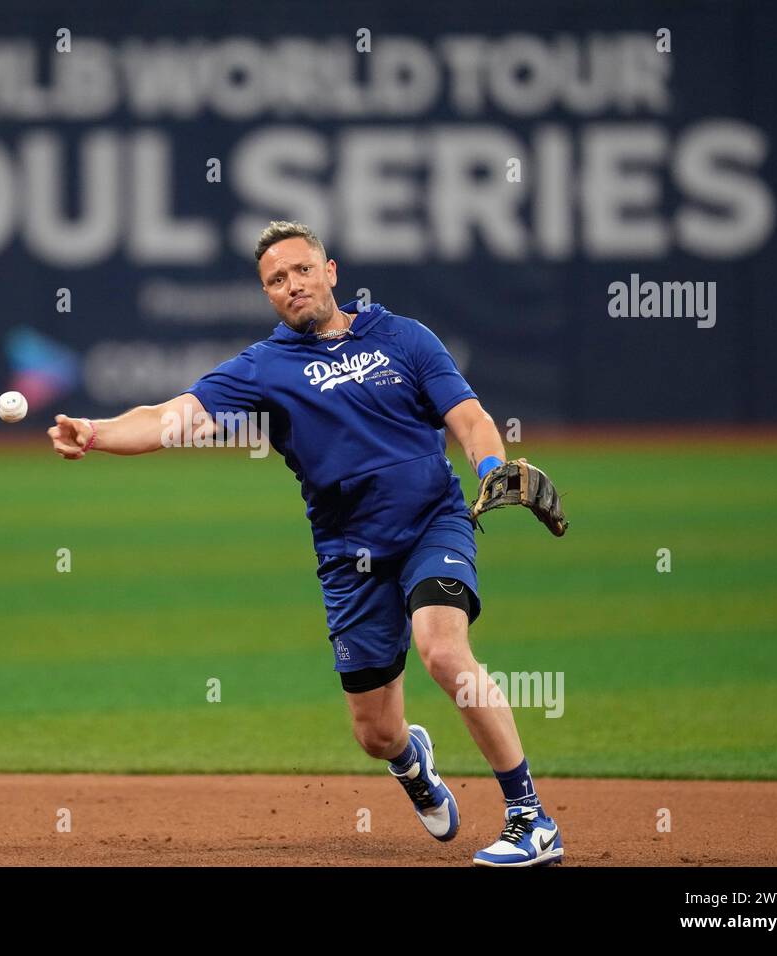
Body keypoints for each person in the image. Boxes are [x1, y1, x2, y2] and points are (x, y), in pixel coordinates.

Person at [47, 221, 563, 867]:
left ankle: (531, 819)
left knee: (441, 648)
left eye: (300, 270)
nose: (291, 285)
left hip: (435, 524)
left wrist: (491, 469)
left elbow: (471, 419)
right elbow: (168, 418)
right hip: (349, 554)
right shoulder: (266, 369)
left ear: (331, 271)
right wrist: (93, 430)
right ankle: (412, 761)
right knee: (375, 734)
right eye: (275, 280)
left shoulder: (404, 337)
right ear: (267, 295)